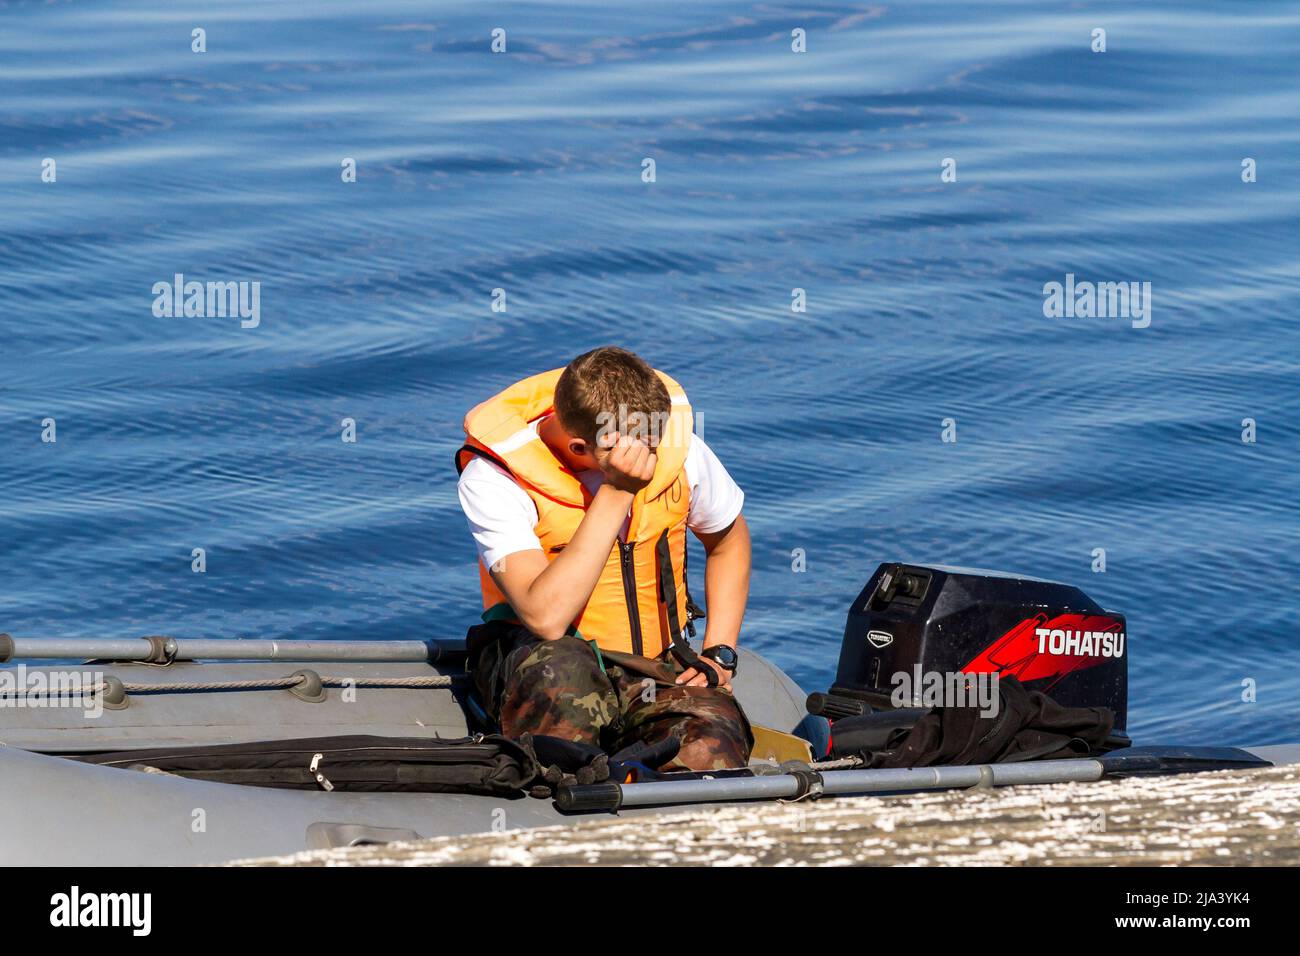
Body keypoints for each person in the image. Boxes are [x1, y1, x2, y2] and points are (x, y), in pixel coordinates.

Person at [455, 346, 753, 771]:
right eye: (639, 450)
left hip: (655, 661)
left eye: (655, 442)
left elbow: (728, 541)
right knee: (564, 688)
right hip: (544, 662)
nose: (652, 459)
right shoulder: (494, 479)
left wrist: (720, 650)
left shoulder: (675, 450)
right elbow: (544, 617)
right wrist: (617, 491)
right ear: (580, 447)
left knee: (709, 748)